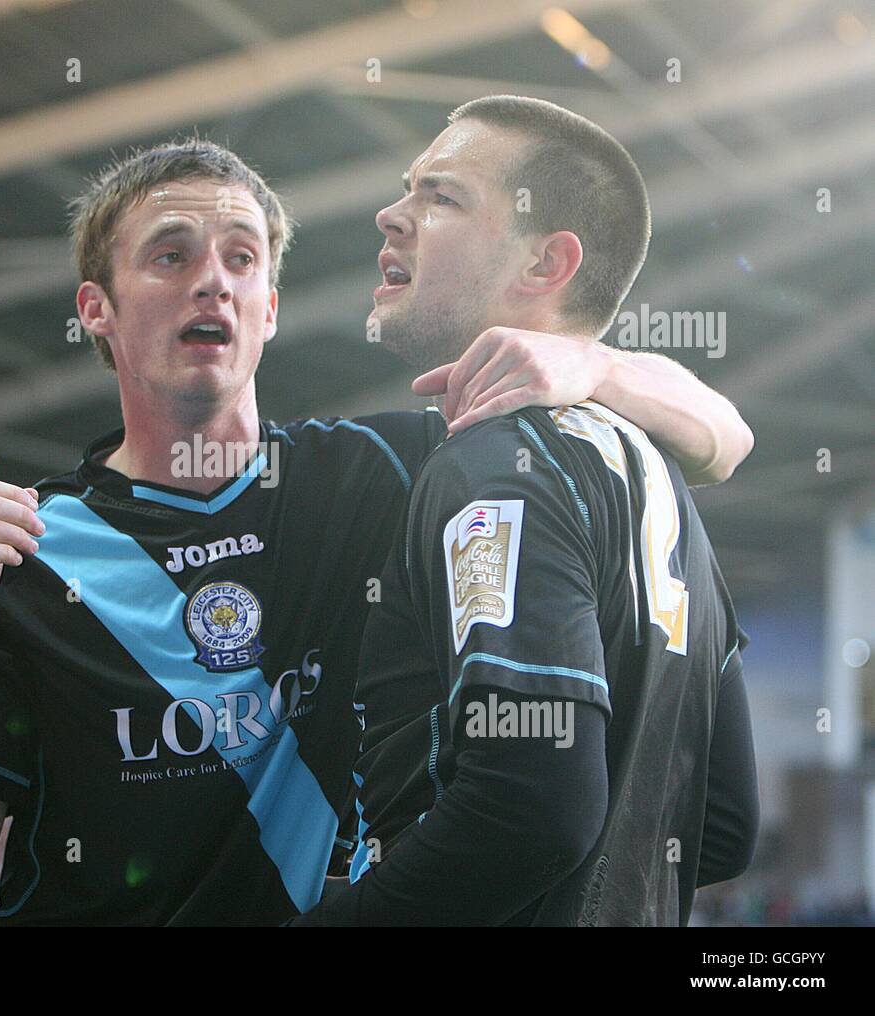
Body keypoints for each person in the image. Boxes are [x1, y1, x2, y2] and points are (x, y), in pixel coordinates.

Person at [0, 138, 753, 926]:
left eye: (241, 259)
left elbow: (722, 439)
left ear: (269, 307)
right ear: (97, 309)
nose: (212, 282)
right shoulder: (28, 546)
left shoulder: (386, 472)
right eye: (170, 255)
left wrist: (593, 362)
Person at [293, 96, 759, 926]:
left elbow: (533, 811)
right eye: (408, 189)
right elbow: (719, 825)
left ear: (546, 266)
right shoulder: (662, 481)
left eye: (441, 198)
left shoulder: (491, 467)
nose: (391, 215)